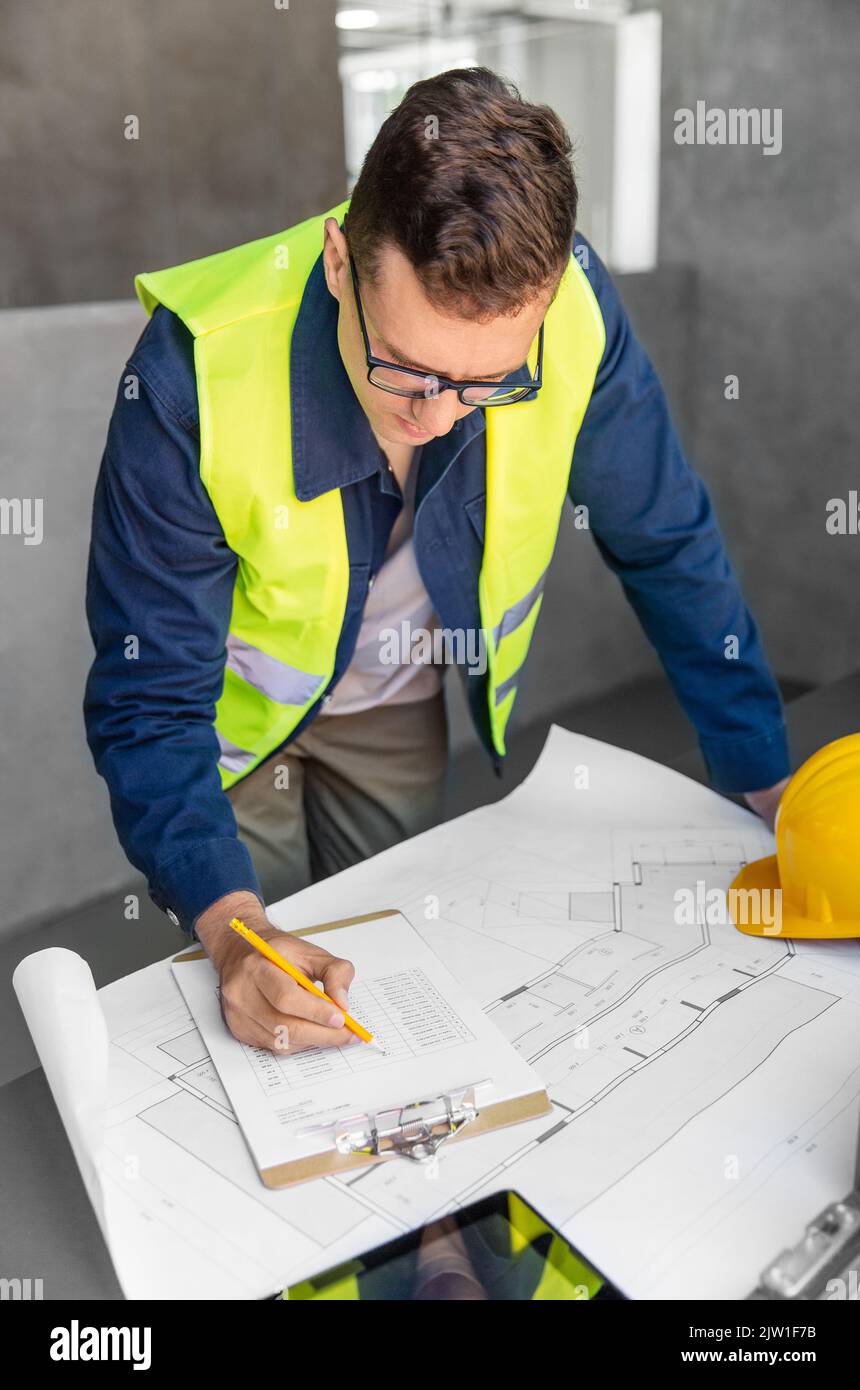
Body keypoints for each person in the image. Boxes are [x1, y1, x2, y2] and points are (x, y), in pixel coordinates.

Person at [85, 68, 790, 1053]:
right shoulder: (188, 372)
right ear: (339, 260)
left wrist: (764, 780)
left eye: (484, 383)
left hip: (394, 696)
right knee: (259, 996)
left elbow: (664, 541)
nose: (435, 413)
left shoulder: (574, 316)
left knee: (401, 974)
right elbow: (146, 691)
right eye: (402, 366)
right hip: (224, 728)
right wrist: (233, 929)